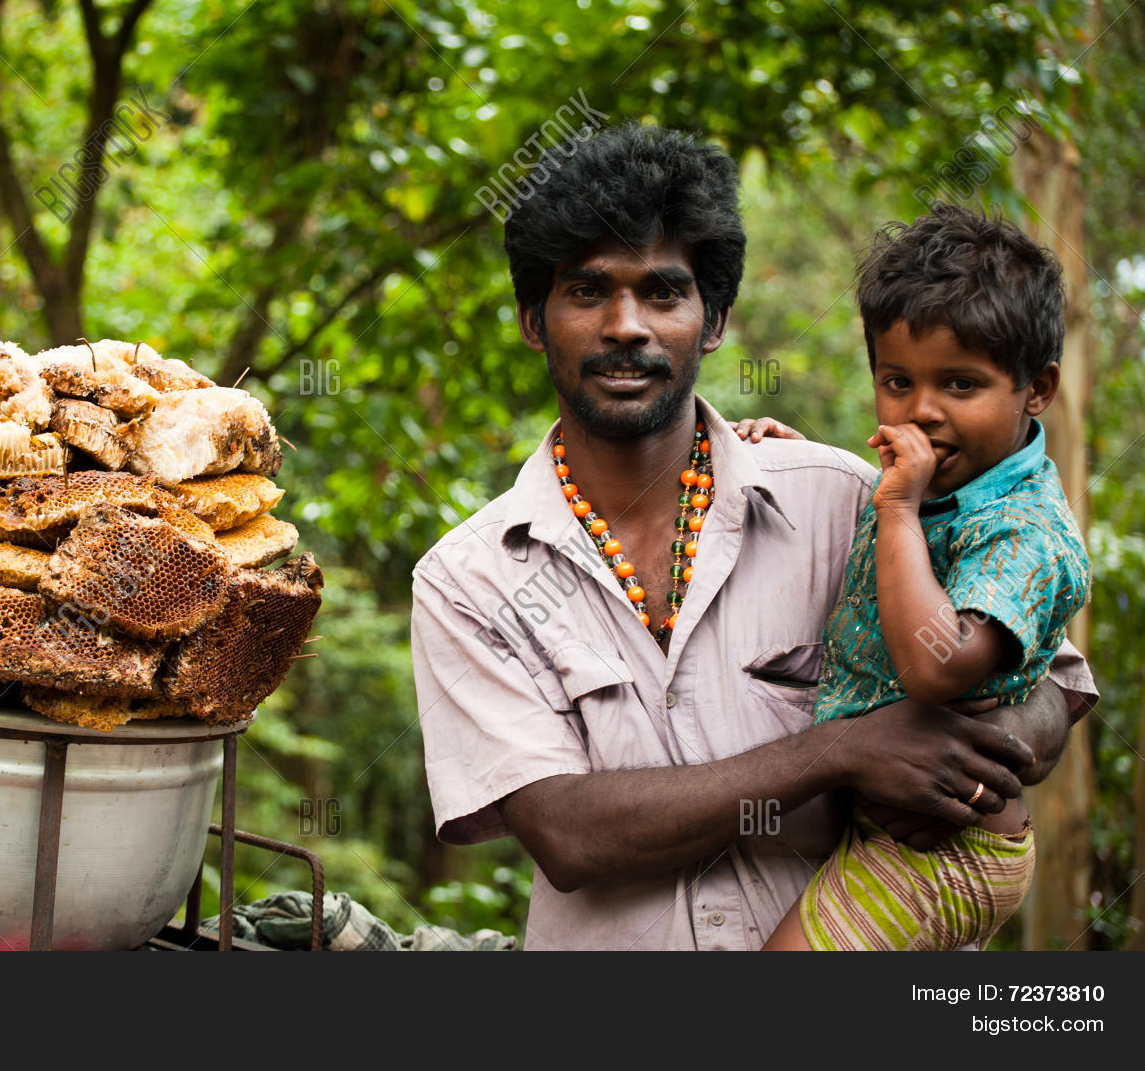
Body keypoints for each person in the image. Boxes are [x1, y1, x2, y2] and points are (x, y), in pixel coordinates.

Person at [409, 122, 1096, 950]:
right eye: (588, 292)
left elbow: (1050, 680)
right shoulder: (468, 581)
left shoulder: (853, 503)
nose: (626, 325)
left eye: (663, 293)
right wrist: (841, 753)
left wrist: (976, 759)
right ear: (532, 319)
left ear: (714, 320)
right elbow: (569, 835)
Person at [752, 205, 1090, 950]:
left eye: (961, 385)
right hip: (888, 829)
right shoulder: (946, 489)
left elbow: (940, 666)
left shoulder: (1024, 530)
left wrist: (898, 504)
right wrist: (790, 458)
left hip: (950, 853)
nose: (922, 413)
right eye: (897, 381)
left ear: (1036, 389)